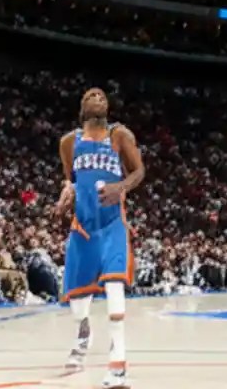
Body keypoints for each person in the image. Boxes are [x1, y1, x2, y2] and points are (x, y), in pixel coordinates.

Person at [55, 87, 147, 389]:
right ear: (82, 108)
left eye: (102, 96)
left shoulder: (119, 135)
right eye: (91, 95)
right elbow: (70, 178)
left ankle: (118, 366)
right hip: (82, 229)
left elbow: (139, 171)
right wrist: (67, 192)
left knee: (115, 292)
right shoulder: (69, 142)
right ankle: (83, 333)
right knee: (78, 303)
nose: (98, 96)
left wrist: (120, 187)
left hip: (111, 226)